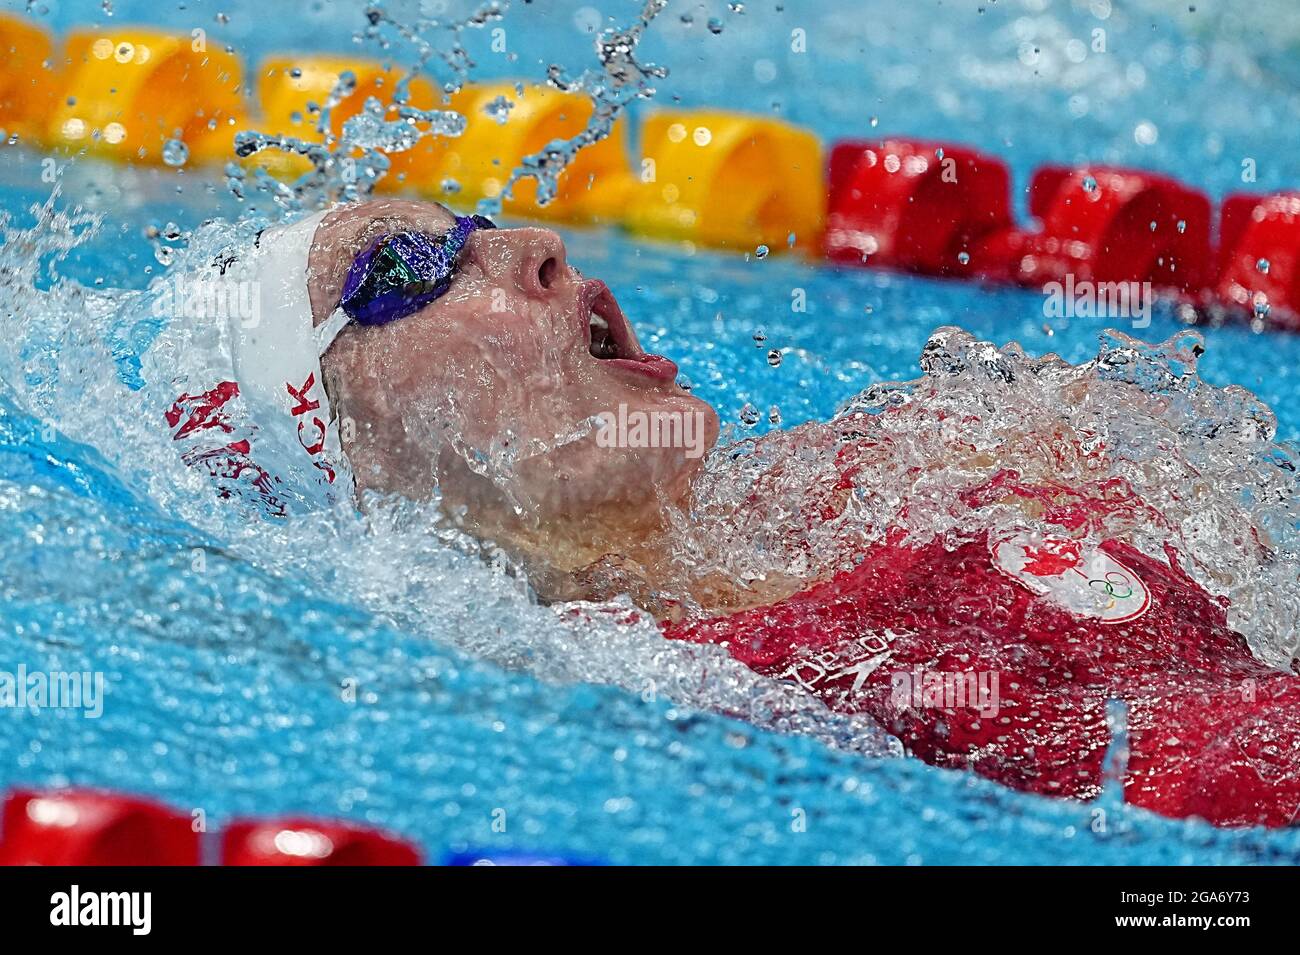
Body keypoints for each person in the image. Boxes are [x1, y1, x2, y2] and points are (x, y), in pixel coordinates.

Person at [165, 198, 1300, 828]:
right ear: (354, 467)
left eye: (482, 220)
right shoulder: (694, 708)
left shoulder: (884, 466)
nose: (539, 249)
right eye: (409, 266)